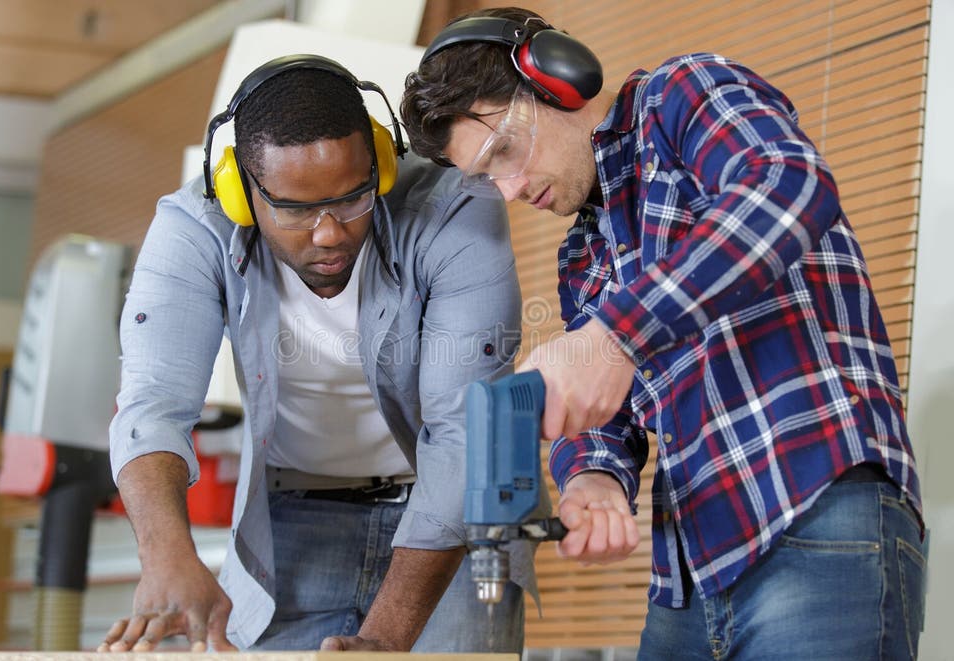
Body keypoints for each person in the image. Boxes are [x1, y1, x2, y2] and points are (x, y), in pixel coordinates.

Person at [401, 7, 927, 660]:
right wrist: (593, 478)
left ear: (559, 80)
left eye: (504, 150)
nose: (508, 190)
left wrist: (616, 336)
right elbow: (607, 408)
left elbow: (787, 185)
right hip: (690, 576)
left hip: (812, 513)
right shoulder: (583, 254)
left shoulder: (680, 96)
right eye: (487, 178)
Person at [98, 54, 535, 653]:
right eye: (296, 210)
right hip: (294, 518)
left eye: (353, 197)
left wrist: (384, 639)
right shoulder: (194, 228)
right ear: (242, 194)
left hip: (456, 522)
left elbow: (464, 435)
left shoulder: (454, 208)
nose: (329, 233)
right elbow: (153, 406)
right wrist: (166, 559)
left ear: (381, 165)